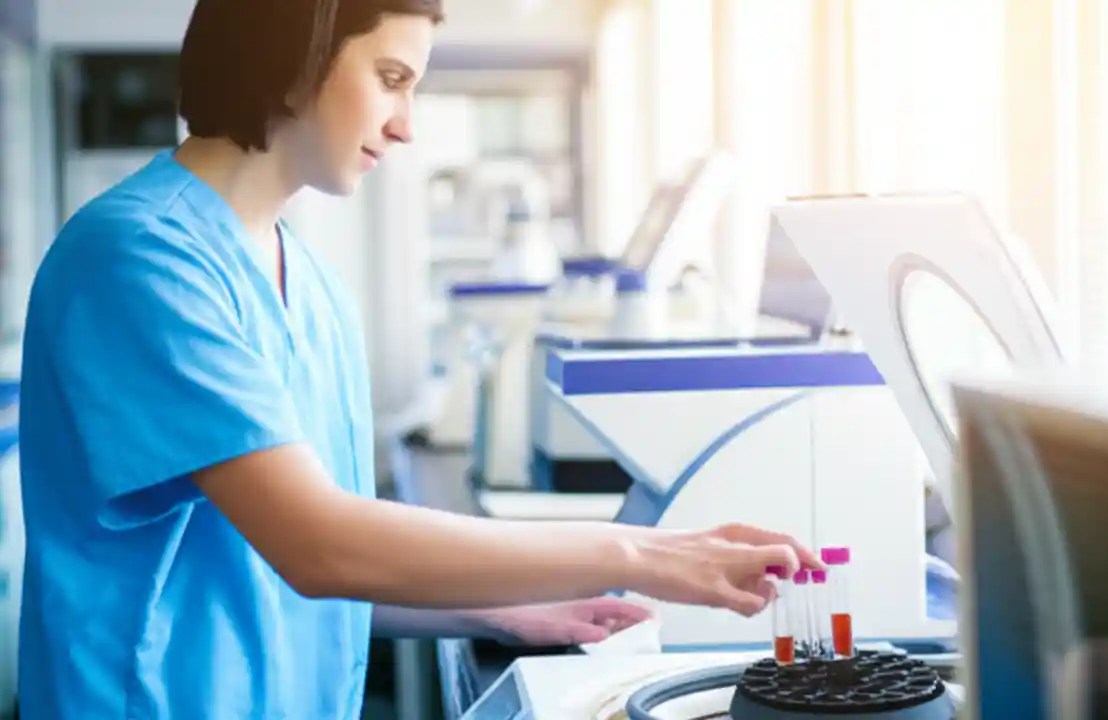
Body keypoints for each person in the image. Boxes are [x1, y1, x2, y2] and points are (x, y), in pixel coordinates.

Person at [16, 1, 820, 717]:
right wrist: (643, 554)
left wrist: (489, 610)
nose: (405, 125)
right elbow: (321, 546)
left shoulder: (310, 283)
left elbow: (276, 568)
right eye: (391, 78)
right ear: (295, 51)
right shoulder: (141, 260)